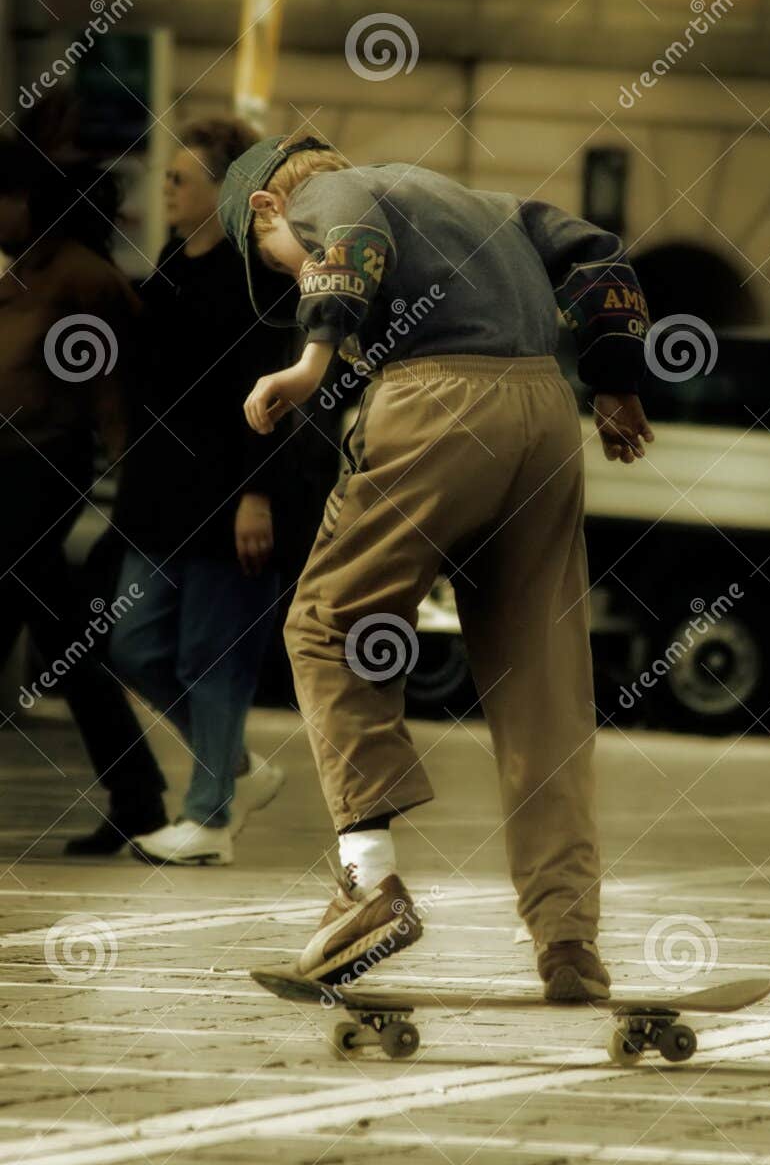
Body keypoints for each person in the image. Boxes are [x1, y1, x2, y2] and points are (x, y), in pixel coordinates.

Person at [220, 133, 653, 1002]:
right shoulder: (482, 204)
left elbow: (344, 231)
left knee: (324, 626)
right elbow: (598, 253)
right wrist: (612, 380)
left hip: (436, 404)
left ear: (269, 208)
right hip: (543, 415)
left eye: (274, 263)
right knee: (542, 686)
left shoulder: (331, 195)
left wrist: (310, 361)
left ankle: (368, 885)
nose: (286, 272)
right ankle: (568, 940)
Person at [111, 118, 289, 867]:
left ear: (224, 189)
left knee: (212, 655)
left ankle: (208, 818)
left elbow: (278, 397)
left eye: (180, 179)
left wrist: (258, 492)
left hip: (229, 493)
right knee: (133, 642)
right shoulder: (172, 262)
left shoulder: (262, 280)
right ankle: (238, 768)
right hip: (159, 494)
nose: (168, 191)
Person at [0, 139, 169, 853]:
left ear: (29, 201)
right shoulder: (25, 274)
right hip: (9, 470)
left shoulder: (83, 280)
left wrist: (134, 503)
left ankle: (139, 794)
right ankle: (138, 795)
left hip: (44, 472)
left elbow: (115, 398)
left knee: (45, 624)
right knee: (63, 634)